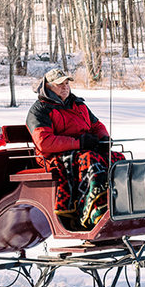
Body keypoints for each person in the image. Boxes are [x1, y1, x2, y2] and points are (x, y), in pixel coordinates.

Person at [26, 69, 123, 229]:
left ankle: (116, 204)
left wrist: (104, 139)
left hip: (81, 150)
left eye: (66, 83)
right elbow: (45, 142)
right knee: (90, 161)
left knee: (116, 158)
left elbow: (96, 125)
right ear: (49, 87)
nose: (65, 87)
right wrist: (79, 143)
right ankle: (91, 212)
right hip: (52, 156)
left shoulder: (78, 105)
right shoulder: (40, 110)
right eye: (60, 84)